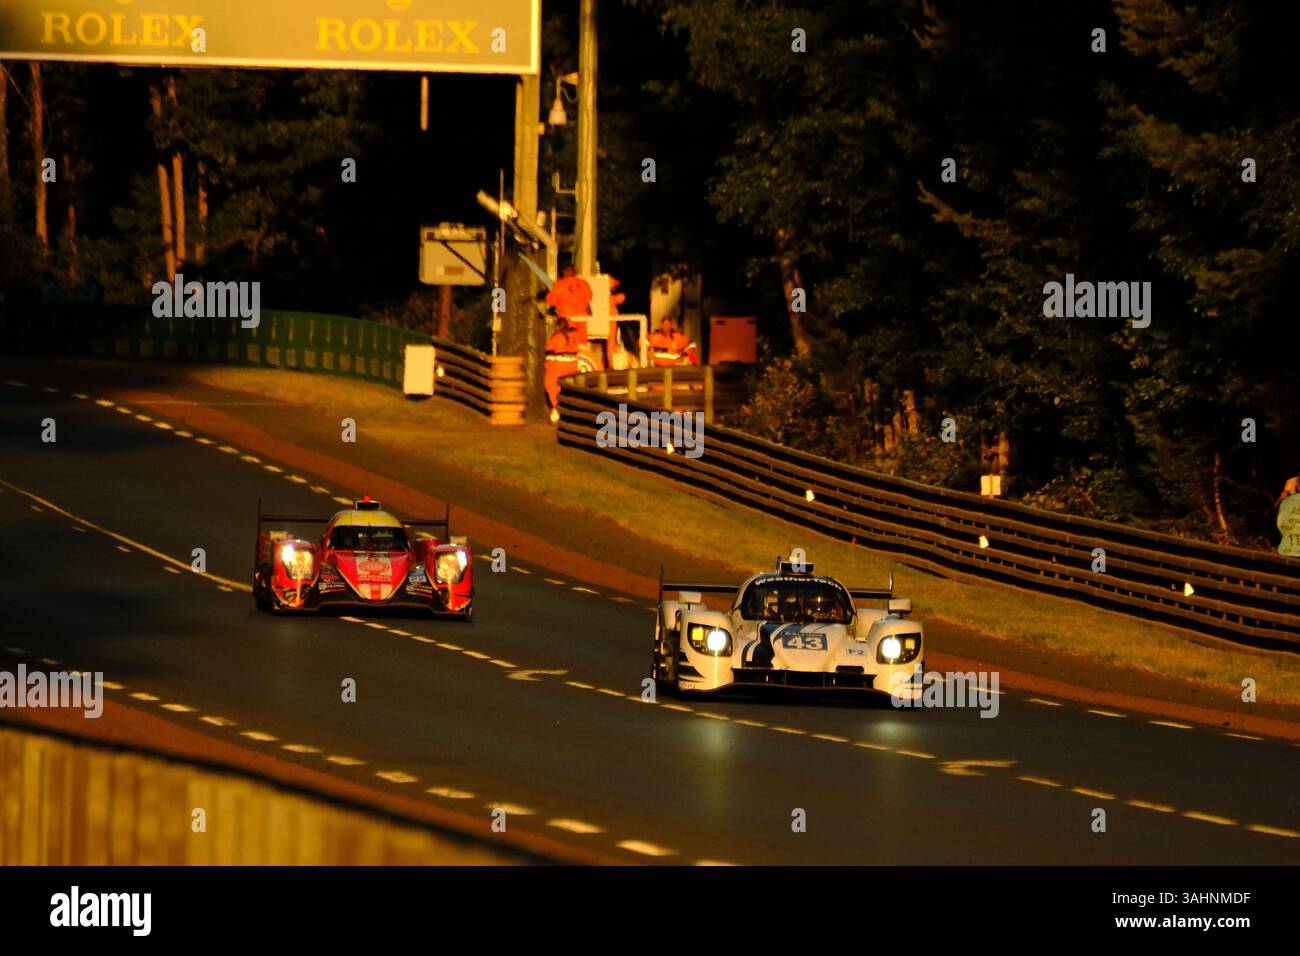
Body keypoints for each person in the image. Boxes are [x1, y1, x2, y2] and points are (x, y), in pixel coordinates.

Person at [544, 315, 582, 414]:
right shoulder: (574, 335)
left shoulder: (557, 337)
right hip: (573, 365)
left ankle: (556, 407)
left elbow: (549, 351)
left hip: (560, 366)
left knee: (549, 383)